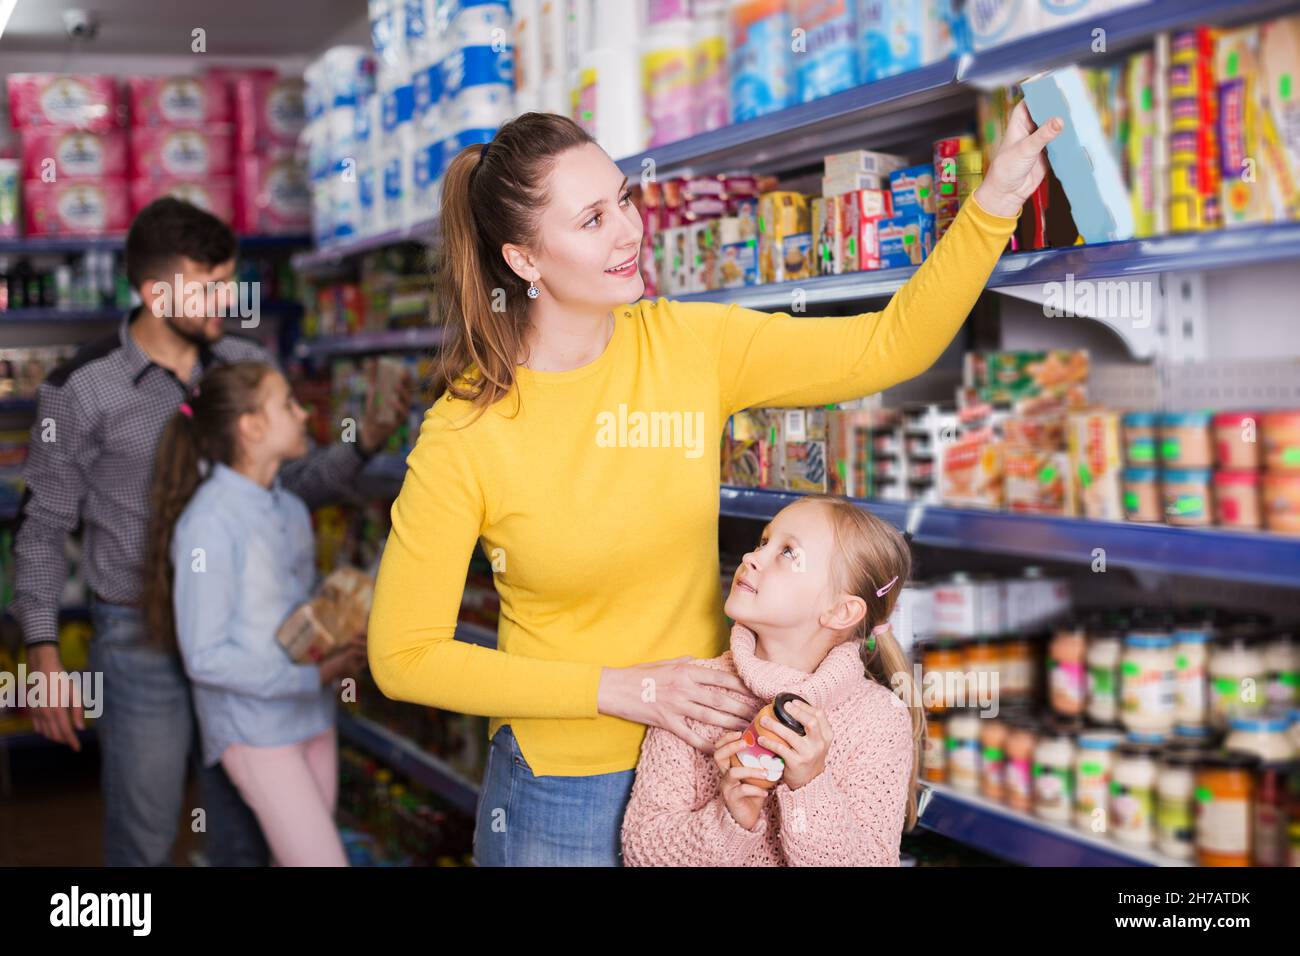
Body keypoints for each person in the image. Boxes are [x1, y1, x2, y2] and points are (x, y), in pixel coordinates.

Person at [367, 103, 1062, 866]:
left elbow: (885, 346)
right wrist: (619, 689)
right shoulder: (466, 433)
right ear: (525, 261)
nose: (630, 230)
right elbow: (403, 655)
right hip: (566, 785)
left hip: (719, 758)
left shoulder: (687, 343)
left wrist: (994, 201)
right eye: (592, 219)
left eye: (624, 198)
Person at [14, 197, 412, 866]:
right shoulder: (81, 387)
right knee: (145, 831)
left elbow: (290, 487)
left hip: (246, 636)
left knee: (246, 833)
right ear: (152, 290)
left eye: (230, 281)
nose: (229, 300)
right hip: (141, 638)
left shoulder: (242, 364)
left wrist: (366, 441)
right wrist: (43, 652)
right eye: (211, 286)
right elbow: (42, 525)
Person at [143, 361, 366, 867]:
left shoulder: (288, 509)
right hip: (256, 730)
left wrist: (340, 633)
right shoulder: (208, 524)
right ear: (252, 426)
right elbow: (205, 658)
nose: (305, 413)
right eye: (288, 403)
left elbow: (296, 617)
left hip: (313, 716)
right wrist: (314, 676)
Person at [620, 496, 919, 866]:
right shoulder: (694, 690)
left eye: (788, 552)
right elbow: (642, 853)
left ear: (840, 611)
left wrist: (809, 786)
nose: (752, 557)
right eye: (764, 541)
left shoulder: (879, 719)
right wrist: (730, 818)